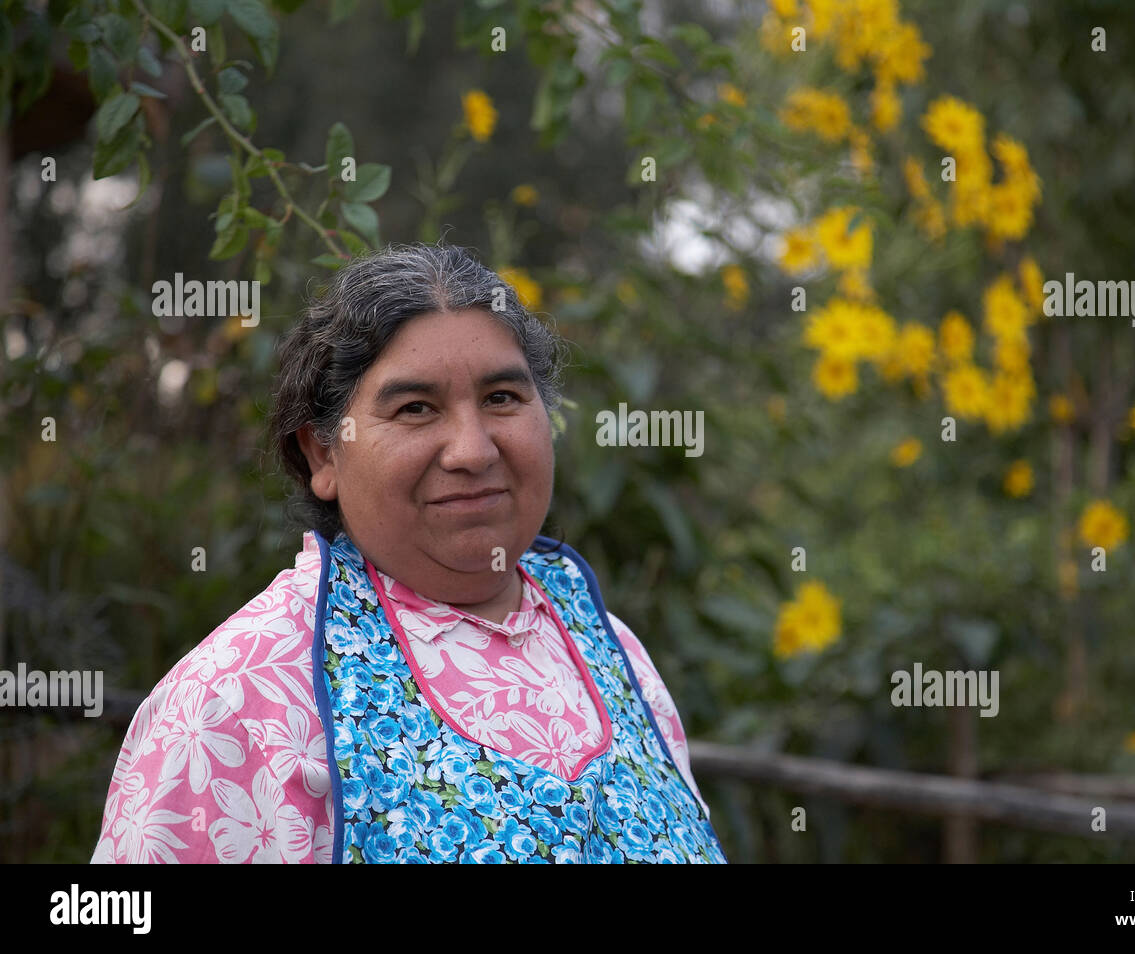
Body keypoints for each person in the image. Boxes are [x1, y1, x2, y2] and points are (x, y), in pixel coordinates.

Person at [91, 243, 727, 864]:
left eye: (502, 398)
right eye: (416, 408)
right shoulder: (239, 703)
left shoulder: (612, 653)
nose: (473, 451)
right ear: (322, 453)